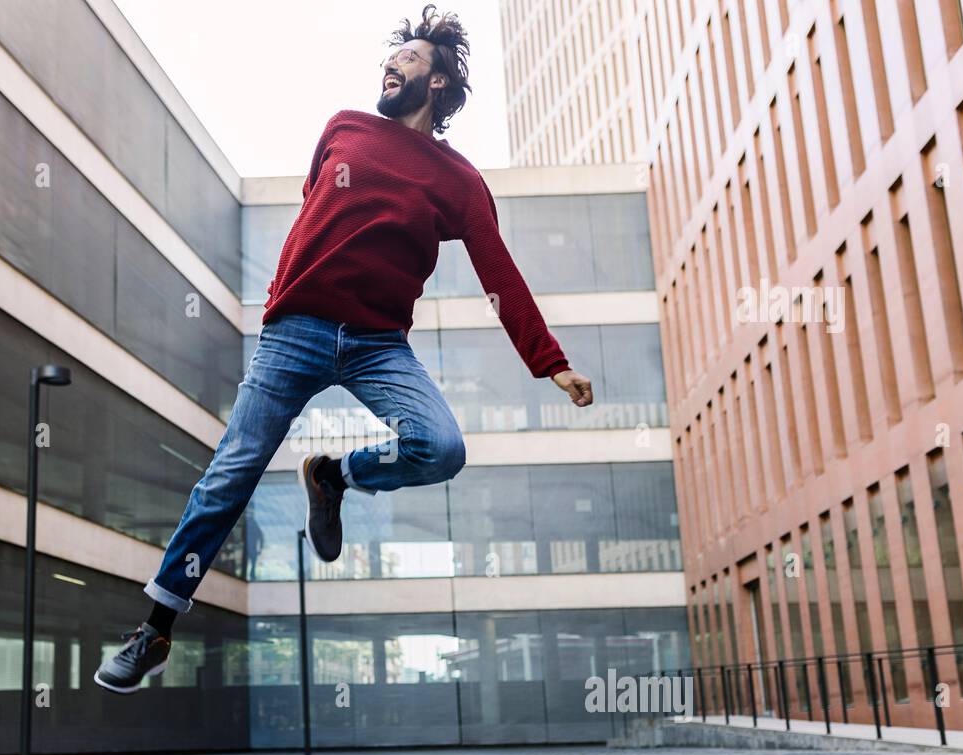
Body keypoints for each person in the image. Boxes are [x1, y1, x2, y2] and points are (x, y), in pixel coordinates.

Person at [95, 4, 594, 694]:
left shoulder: (460, 183)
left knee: (441, 446)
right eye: (391, 61)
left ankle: (334, 477)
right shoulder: (344, 127)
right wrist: (281, 294)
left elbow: (498, 274)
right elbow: (313, 211)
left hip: (376, 344)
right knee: (230, 474)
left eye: (409, 61)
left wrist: (551, 362)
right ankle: (153, 630)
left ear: (440, 83)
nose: (392, 67)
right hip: (295, 332)